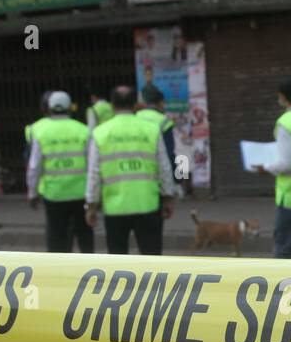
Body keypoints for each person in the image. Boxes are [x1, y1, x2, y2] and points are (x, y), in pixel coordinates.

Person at [86, 84, 176, 255]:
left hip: (114, 209)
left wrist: (91, 205)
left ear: (112, 106)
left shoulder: (100, 133)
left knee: (119, 262)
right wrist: (168, 196)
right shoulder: (152, 130)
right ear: (136, 105)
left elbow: (94, 173)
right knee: (152, 261)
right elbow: (164, 167)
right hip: (148, 205)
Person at [252, 76, 291, 258]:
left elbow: (285, 164)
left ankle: (283, 286)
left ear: (282, 97)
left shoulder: (286, 122)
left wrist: (264, 167)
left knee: (283, 249)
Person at [26, 91, 93, 253]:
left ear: (48, 109)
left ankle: (59, 272)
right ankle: (90, 269)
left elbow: (34, 167)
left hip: (54, 194)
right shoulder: (83, 130)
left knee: (56, 235)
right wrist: (94, 195)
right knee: (84, 233)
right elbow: (92, 165)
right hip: (80, 193)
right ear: (70, 108)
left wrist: (32, 193)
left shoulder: (41, 132)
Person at [136, 86, 181, 197]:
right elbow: (170, 153)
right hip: (157, 175)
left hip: (136, 173)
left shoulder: (135, 118)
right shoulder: (164, 121)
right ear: (160, 103)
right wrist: (177, 178)